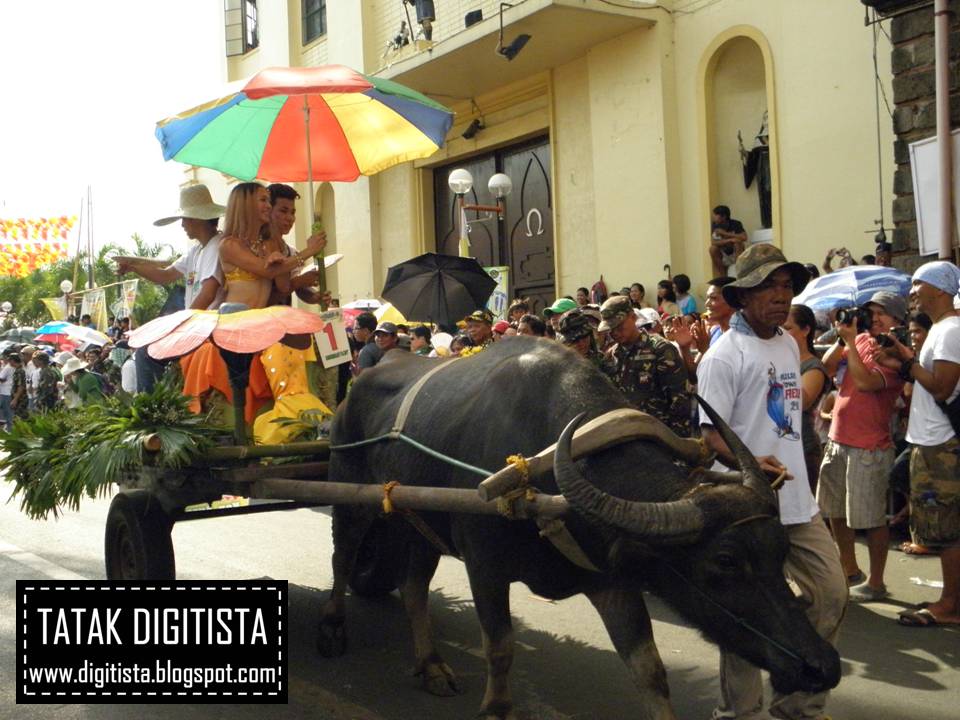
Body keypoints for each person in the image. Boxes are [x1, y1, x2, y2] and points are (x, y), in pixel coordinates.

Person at [697, 243, 845, 720]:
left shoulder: (786, 344)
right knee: (744, 616)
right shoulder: (723, 356)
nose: (780, 296)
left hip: (797, 501)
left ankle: (798, 704)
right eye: (768, 286)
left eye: (785, 286)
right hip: (743, 507)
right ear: (742, 296)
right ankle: (739, 712)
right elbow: (708, 437)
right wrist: (748, 460)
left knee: (831, 594)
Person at [877, 261, 960, 627]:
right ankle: (951, 599)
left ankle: (951, 605)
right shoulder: (944, 330)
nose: (911, 292)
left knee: (947, 528)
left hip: (940, 443)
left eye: (917, 284)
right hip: (932, 440)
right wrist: (906, 359)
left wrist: (909, 366)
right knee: (943, 527)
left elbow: (942, 386)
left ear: (940, 289)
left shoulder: (951, 331)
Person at [819, 290, 907, 600]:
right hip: (837, 439)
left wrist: (853, 344)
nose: (875, 318)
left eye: (882, 312)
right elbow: (827, 367)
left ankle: (877, 582)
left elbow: (867, 382)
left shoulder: (896, 352)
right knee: (834, 510)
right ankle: (849, 569)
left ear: (897, 319)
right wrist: (844, 339)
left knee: (869, 518)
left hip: (869, 447)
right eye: (872, 312)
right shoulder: (859, 341)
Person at [218, 182, 325, 310]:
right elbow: (268, 271)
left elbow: (284, 286)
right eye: (263, 200)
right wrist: (309, 251)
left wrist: (278, 254)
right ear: (246, 205)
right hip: (236, 318)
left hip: (259, 319)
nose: (269, 206)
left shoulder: (266, 244)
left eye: (269, 201)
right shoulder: (229, 244)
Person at [599, 295, 692, 437]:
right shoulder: (610, 357)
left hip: (659, 437)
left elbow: (679, 400)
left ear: (633, 317)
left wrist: (678, 443)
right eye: (610, 329)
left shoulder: (660, 349)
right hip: (624, 437)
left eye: (619, 326)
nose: (615, 333)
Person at [783, 304, 830, 494]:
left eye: (787, 328)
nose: (781, 334)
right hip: (779, 446)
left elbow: (801, 402)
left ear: (806, 330)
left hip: (803, 448)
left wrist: (783, 367)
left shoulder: (813, 366)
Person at [265, 183, 330, 307]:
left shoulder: (290, 251)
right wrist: (309, 251)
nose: (290, 218)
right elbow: (265, 299)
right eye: (283, 211)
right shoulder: (260, 247)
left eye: (292, 212)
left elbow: (300, 290)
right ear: (268, 211)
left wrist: (315, 297)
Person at [709, 205, 748, 277]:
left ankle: (739, 273)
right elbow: (713, 242)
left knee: (737, 243)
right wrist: (730, 240)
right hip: (724, 254)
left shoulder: (735, 224)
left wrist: (725, 233)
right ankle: (723, 276)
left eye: (716, 215)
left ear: (724, 217)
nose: (713, 217)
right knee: (712, 249)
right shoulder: (714, 225)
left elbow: (744, 237)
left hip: (736, 253)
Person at [7, 352, 29, 422]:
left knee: (19, 419)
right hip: (18, 398)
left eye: (9, 361)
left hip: (21, 399)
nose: (9, 363)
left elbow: (21, 386)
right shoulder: (18, 370)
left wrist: (15, 399)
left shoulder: (20, 371)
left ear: (13, 361)